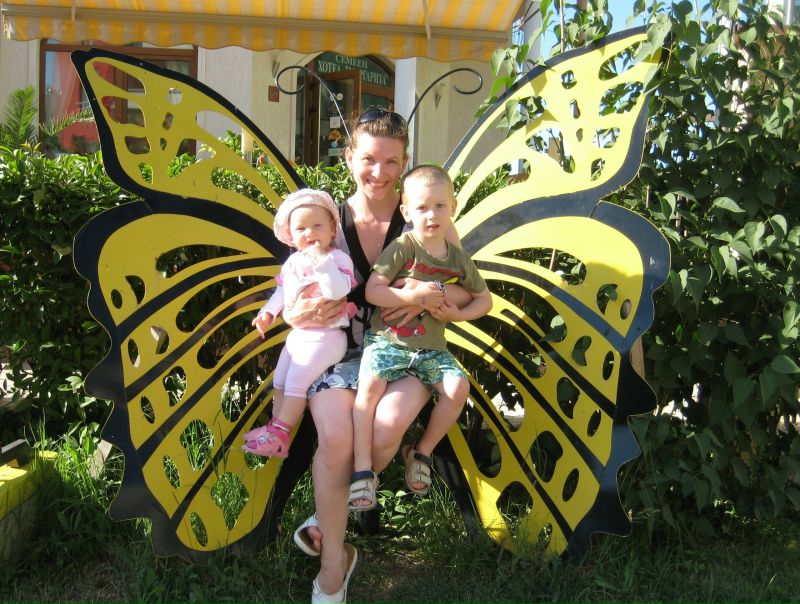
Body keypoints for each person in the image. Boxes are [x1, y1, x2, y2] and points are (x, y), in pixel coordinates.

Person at [282, 108, 473, 604]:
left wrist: (429, 298)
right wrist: (299, 311)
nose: (380, 172)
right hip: (338, 351)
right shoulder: (326, 220)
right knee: (337, 436)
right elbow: (289, 291)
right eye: (369, 158)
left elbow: (465, 290)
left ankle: (328, 514)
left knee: (386, 427)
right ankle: (333, 567)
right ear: (349, 159)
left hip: (408, 349)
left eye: (392, 161)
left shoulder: (424, 217)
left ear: (404, 163)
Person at [348, 165, 492, 511]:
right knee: (368, 391)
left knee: (458, 387)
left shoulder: (457, 258)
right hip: (388, 342)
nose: (432, 215)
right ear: (407, 212)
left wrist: (458, 315)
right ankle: (362, 467)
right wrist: (412, 296)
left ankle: (422, 451)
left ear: (453, 208)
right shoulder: (403, 247)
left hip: (430, 351)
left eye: (440, 206)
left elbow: (484, 299)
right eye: (423, 207)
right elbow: (373, 291)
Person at [242, 189, 355, 458]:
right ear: (291, 236)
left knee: (295, 382)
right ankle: (274, 429)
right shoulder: (293, 262)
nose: (310, 233)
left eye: (317, 226)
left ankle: (280, 433)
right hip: (300, 335)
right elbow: (282, 293)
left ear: (332, 229)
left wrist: (323, 264)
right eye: (301, 228)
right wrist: (268, 313)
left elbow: (338, 290)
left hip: (327, 337)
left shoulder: (337, 259)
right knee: (280, 379)